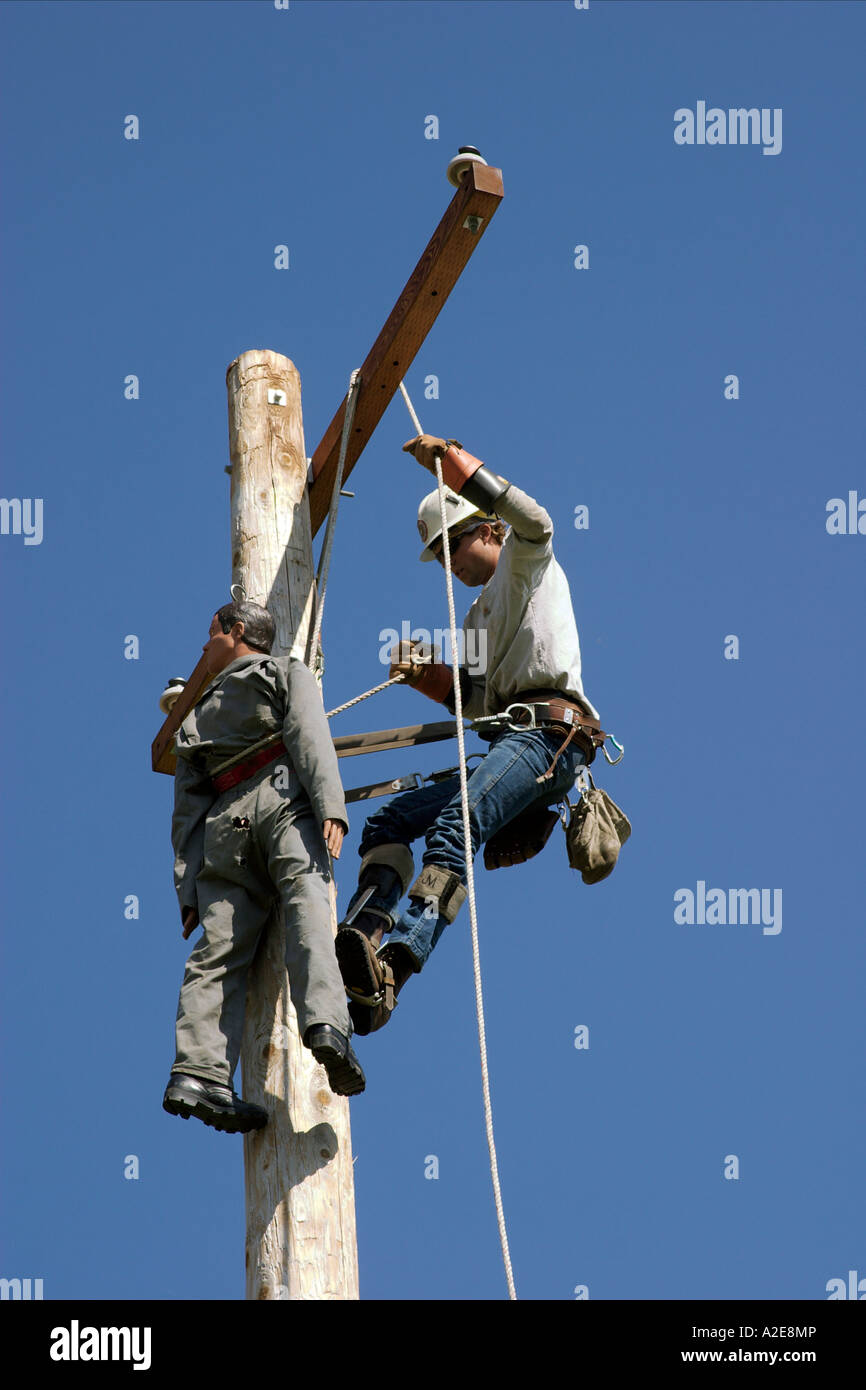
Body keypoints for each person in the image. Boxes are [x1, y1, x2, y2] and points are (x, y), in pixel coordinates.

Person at [335, 434, 605, 1034]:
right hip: (509, 743)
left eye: (450, 546)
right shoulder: (476, 616)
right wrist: (426, 673)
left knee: (458, 825)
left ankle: (396, 967)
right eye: (439, 555)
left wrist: (451, 463)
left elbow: (537, 520)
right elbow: (478, 703)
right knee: (390, 822)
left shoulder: (527, 559)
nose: (448, 565)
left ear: (488, 530)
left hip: (549, 739)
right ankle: (364, 933)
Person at [162, 599, 364, 1135]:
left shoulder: (195, 710)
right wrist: (331, 807)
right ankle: (325, 1023)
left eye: (210, 634)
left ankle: (198, 1072)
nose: (204, 647)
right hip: (281, 799)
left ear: (237, 631)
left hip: (224, 829)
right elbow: (309, 736)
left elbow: (187, 808)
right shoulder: (285, 673)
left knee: (216, 952)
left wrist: (188, 888)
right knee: (307, 905)